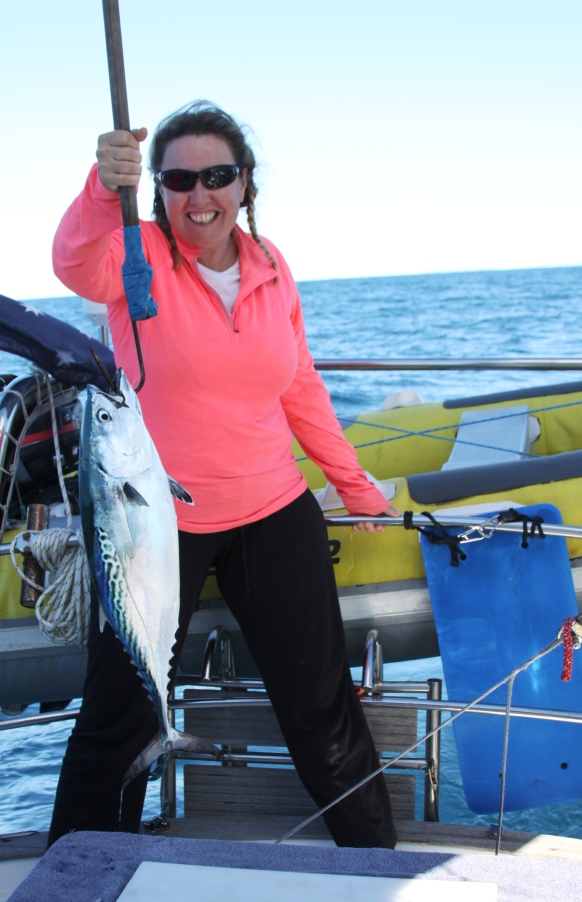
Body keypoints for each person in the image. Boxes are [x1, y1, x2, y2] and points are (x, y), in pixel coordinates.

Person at [48, 101, 399, 849]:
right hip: (155, 523)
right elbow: (74, 262)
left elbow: (299, 385)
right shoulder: (132, 256)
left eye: (216, 176)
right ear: (156, 189)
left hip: (272, 508)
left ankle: (375, 866)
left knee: (321, 711)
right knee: (119, 718)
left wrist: (355, 482)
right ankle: (70, 885)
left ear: (244, 184)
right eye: (178, 179)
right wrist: (97, 183)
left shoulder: (272, 266)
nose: (198, 195)